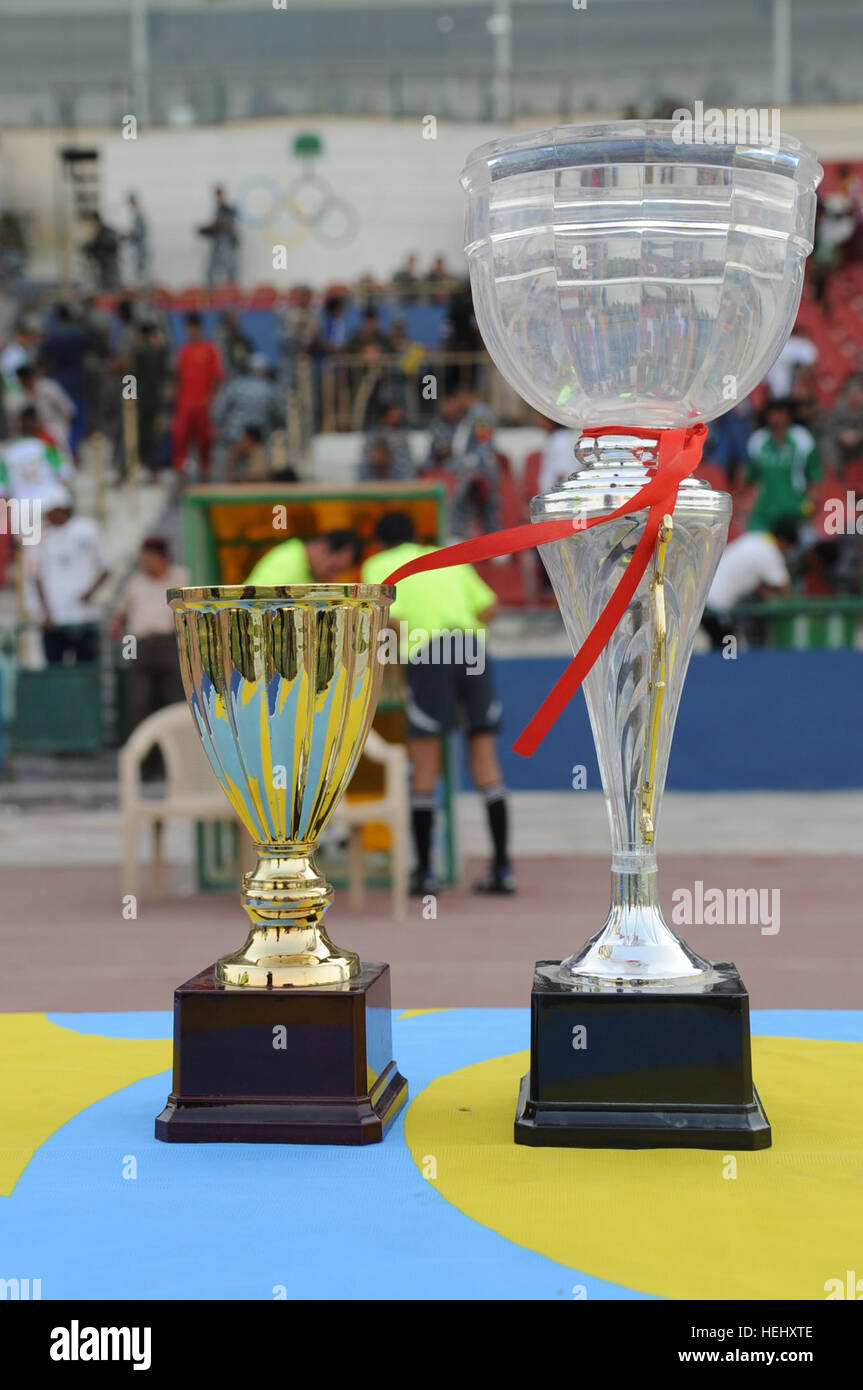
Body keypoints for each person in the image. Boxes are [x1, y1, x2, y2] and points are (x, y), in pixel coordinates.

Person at [361, 511, 515, 896]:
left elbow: (385, 620)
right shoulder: (444, 558)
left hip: (427, 654)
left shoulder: (376, 564)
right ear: (417, 535)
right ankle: (502, 869)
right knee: (485, 760)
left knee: (425, 763)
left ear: (380, 543)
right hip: (473, 650)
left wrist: (395, 662)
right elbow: (490, 607)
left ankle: (425, 873)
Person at [110, 538, 189, 738]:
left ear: (161, 558)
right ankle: (142, 757)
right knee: (139, 702)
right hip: (140, 644)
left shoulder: (181, 578)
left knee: (173, 699)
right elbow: (119, 616)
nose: (146, 563)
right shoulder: (135, 583)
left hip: (170, 643)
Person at [33, 488, 110, 666]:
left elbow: (107, 566)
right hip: (54, 619)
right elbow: (36, 577)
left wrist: (89, 593)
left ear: (63, 509)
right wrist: (45, 613)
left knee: (86, 669)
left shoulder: (88, 529)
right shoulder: (41, 535)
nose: (47, 515)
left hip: (84, 616)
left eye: (50, 511)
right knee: (54, 673)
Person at [702, 517, 797, 648]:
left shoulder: (754, 538)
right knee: (729, 649)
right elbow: (786, 590)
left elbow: (752, 580)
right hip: (714, 607)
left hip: (705, 601)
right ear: (783, 541)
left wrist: (769, 596)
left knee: (726, 647)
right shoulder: (770, 551)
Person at [745, 399, 820, 533]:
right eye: (771, 413)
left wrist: (811, 502)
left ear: (788, 415)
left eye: (779, 413)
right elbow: (749, 477)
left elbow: (814, 475)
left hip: (795, 509)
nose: (775, 417)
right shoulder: (758, 440)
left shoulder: (802, 439)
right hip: (764, 511)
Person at [171, 312, 224, 475]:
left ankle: (205, 469)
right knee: (179, 436)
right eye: (189, 328)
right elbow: (177, 376)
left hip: (203, 403)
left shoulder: (210, 349)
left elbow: (218, 376)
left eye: (195, 328)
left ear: (200, 328)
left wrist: (211, 399)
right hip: (184, 403)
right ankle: (180, 469)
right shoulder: (183, 351)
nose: (191, 331)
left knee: (204, 439)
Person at [0, 405, 74, 506]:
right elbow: (67, 473)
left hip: (22, 512)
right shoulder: (46, 448)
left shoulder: (8, 455)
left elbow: (3, 491)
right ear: (38, 423)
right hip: (48, 509)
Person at [213, 352, 283, 454]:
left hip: (234, 437)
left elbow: (219, 409)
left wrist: (219, 426)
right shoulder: (270, 389)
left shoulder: (234, 386)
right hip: (261, 439)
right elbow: (280, 414)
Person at [247, 528, 362, 585]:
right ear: (323, 547)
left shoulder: (308, 568)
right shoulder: (288, 563)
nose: (334, 578)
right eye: (334, 569)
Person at [199, 186, 239, 287]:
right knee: (210, 270)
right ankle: (212, 293)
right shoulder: (218, 208)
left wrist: (214, 226)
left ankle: (232, 291)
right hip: (217, 244)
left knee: (230, 268)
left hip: (226, 243)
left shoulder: (226, 208)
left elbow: (226, 222)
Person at [765, 325, 818, 400]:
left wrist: (798, 378)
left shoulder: (803, 345)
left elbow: (812, 364)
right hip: (778, 382)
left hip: (790, 383)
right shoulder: (784, 343)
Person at [536, 415, 577, 495]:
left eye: (542, 419)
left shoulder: (561, 440)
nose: (539, 422)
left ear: (551, 421)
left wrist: (556, 496)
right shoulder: (554, 438)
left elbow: (561, 472)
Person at [81, 212, 120, 290]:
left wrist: (89, 249)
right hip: (105, 265)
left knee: (108, 286)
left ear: (95, 220)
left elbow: (102, 245)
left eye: (91, 222)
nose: (91, 224)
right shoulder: (102, 231)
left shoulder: (105, 232)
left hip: (108, 265)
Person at [123, 194, 149, 283]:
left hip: (139, 246)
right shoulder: (135, 214)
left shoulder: (138, 214)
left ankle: (141, 284)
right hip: (137, 246)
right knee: (137, 267)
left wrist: (129, 235)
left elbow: (138, 232)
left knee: (140, 268)